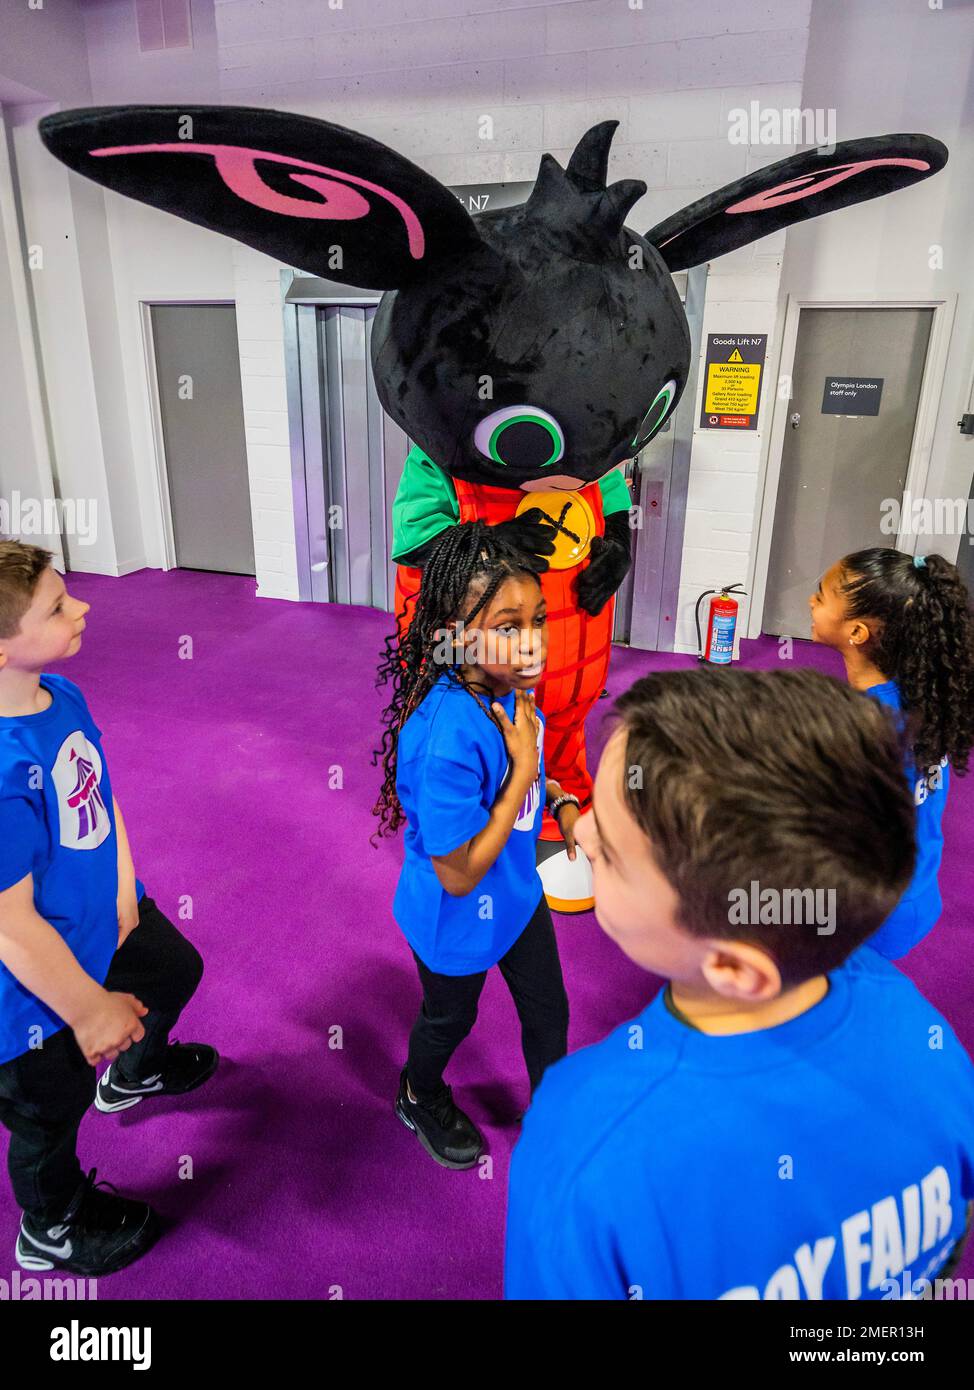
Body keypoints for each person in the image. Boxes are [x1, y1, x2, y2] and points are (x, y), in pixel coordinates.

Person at [505, 666, 974, 1299]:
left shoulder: (582, 1135)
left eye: (610, 850)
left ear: (733, 967)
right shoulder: (931, 1040)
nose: (581, 831)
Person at [0, 540, 217, 1277]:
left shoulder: (63, 697)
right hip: (30, 992)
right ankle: (50, 1227)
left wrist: (125, 884)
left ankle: (137, 1071)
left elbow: (99, 790)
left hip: (107, 916)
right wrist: (90, 1011)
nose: (83, 605)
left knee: (175, 971)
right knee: (50, 1113)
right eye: (57, 607)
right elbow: (11, 926)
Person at [373, 520, 575, 1169]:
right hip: (453, 913)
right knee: (448, 1021)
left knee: (550, 1011)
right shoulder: (445, 741)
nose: (533, 643)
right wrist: (518, 775)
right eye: (509, 627)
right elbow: (458, 876)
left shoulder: (509, 689)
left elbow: (538, 763)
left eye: (537, 619)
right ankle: (417, 1091)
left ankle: (551, 1117)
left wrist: (564, 801)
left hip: (516, 896)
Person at [810, 548, 974, 958]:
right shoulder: (923, 698)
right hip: (915, 897)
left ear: (858, 633)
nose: (811, 602)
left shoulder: (862, 726)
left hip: (865, 913)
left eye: (821, 595)